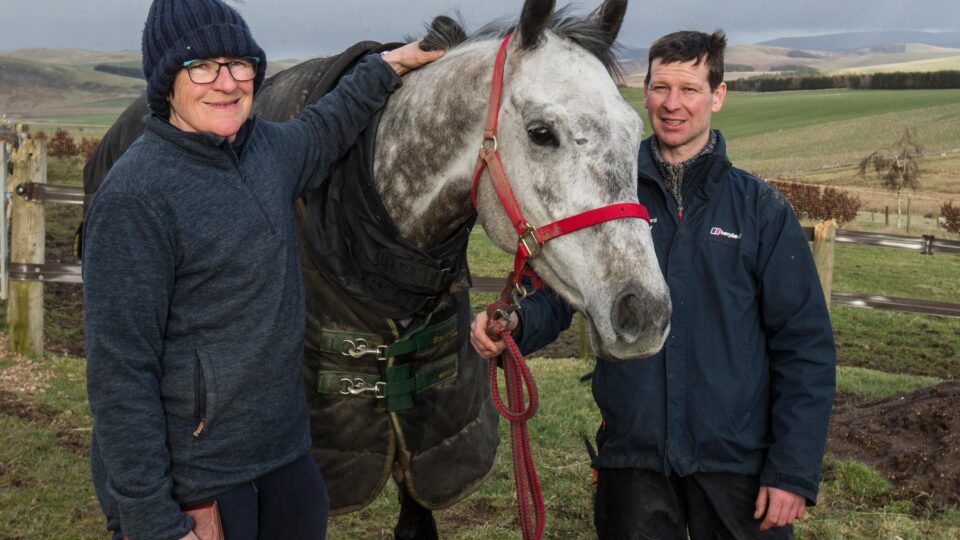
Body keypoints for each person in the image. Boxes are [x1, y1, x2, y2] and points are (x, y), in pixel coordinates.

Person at [81, 1, 443, 539]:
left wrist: (387, 66)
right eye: (201, 66)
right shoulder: (135, 198)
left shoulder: (266, 152)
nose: (225, 83)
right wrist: (153, 517)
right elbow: (119, 375)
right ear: (166, 82)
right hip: (199, 485)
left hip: (287, 462)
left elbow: (328, 125)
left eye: (239, 63)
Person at [470, 30, 836, 539]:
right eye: (660, 87)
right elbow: (557, 289)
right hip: (633, 459)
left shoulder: (760, 212)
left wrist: (791, 472)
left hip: (736, 466)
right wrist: (515, 322)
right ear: (643, 93)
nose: (672, 105)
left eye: (689, 89)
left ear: (718, 95)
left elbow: (805, 348)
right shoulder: (605, 191)